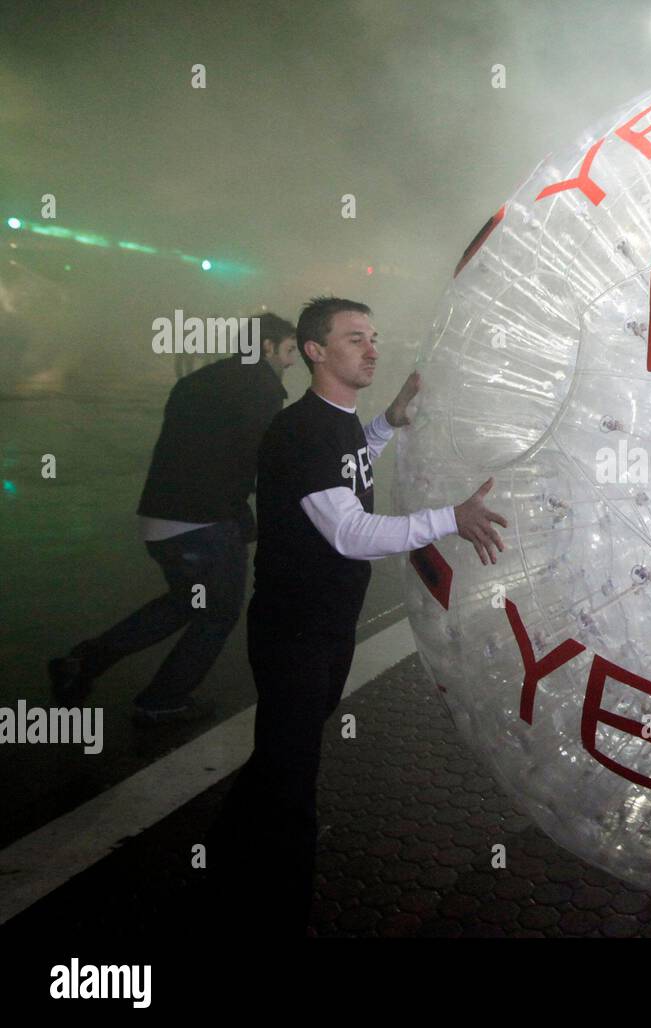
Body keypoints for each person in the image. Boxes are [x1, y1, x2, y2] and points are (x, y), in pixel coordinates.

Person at [206, 296, 507, 936]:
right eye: (353, 339)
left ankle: (228, 853)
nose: (372, 349)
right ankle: (278, 915)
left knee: (282, 755)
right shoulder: (298, 430)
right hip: (295, 629)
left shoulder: (338, 420)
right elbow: (348, 530)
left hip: (326, 623)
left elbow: (347, 462)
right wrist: (450, 519)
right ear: (315, 351)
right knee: (293, 783)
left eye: (373, 337)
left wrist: (386, 424)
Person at [48, 315, 298, 724]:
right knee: (218, 613)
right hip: (204, 523)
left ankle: (84, 662)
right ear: (268, 347)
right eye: (289, 351)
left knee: (186, 601)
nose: (291, 362)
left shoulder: (198, 380)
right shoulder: (261, 387)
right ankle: (162, 701)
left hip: (158, 518)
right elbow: (259, 459)